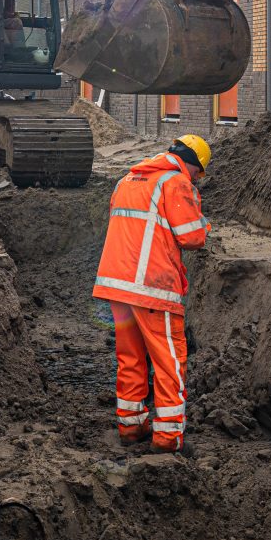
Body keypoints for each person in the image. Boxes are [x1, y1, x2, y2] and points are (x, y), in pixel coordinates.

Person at [91, 134, 212, 453]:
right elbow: (192, 237)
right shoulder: (175, 182)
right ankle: (168, 437)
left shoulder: (127, 180)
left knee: (130, 358)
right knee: (169, 361)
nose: (196, 179)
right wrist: (204, 223)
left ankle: (131, 427)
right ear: (193, 164)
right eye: (198, 173)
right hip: (153, 288)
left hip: (117, 286)